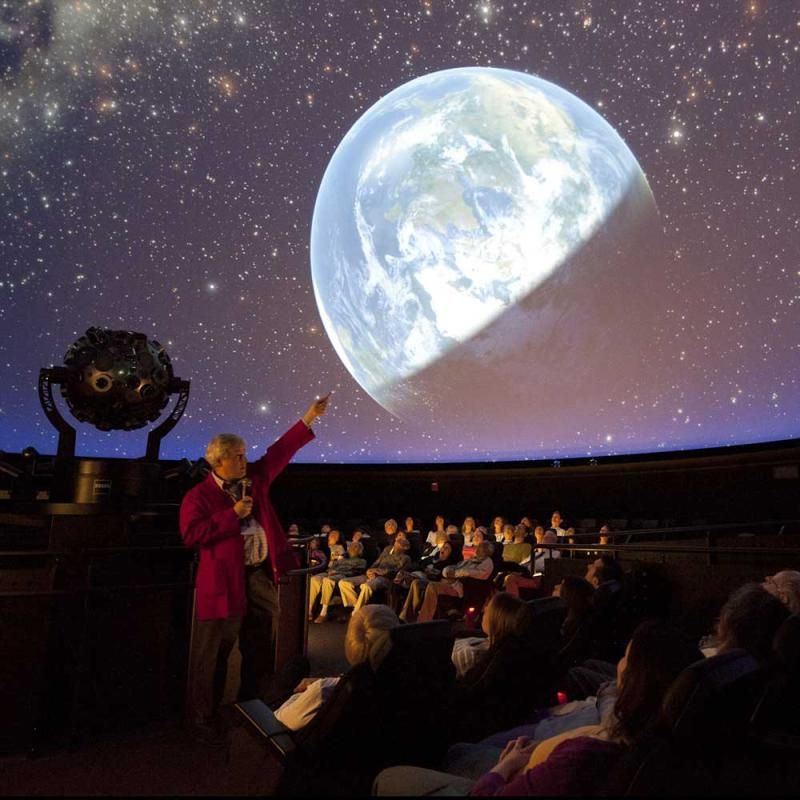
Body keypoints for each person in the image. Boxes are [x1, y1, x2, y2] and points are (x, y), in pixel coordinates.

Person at [373, 620, 700, 796]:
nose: (619, 663)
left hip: (504, 779)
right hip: (537, 762)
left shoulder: (585, 758)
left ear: (637, 680)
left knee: (390, 777)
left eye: (626, 657)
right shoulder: (662, 739)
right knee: (461, 749)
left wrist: (503, 769)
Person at [179, 393, 329, 742]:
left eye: (245, 454)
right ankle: (204, 719)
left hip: (259, 578)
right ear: (218, 461)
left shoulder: (255, 480)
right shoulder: (197, 497)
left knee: (259, 649)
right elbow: (191, 535)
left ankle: (252, 712)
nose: (245, 460)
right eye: (238, 456)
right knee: (213, 655)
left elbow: (279, 452)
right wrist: (230, 516)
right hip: (223, 585)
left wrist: (308, 417)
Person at [273, 605, 400, 731]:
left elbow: (280, 720)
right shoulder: (408, 684)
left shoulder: (324, 692)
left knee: (293, 668)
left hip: (281, 722)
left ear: (349, 644)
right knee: (300, 663)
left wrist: (311, 690)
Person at [414, 541, 495, 623]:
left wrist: (455, 574)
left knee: (432, 587)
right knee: (418, 583)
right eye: (478, 547)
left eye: (480, 547)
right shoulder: (472, 559)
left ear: (487, 551)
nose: (477, 549)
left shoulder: (487, 562)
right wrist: (448, 571)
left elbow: (473, 573)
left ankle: (423, 622)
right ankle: (408, 617)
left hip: (461, 588)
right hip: (452, 582)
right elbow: (456, 566)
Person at [339, 535, 411, 612]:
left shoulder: (405, 558)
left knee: (366, 586)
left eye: (400, 543)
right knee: (343, 583)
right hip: (371, 574)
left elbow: (395, 571)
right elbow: (376, 563)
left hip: (385, 578)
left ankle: (356, 611)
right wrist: (369, 570)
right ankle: (357, 606)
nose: (397, 544)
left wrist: (377, 572)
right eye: (397, 542)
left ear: (404, 547)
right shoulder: (386, 553)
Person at [309, 540, 367, 623]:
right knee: (314, 579)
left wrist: (337, 572)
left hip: (343, 575)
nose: (352, 548)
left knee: (328, 581)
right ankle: (309, 610)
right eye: (351, 546)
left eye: (356, 546)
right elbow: (330, 567)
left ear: (360, 550)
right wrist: (331, 569)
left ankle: (323, 612)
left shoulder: (361, 561)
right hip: (330, 573)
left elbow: (357, 572)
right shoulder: (341, 559)